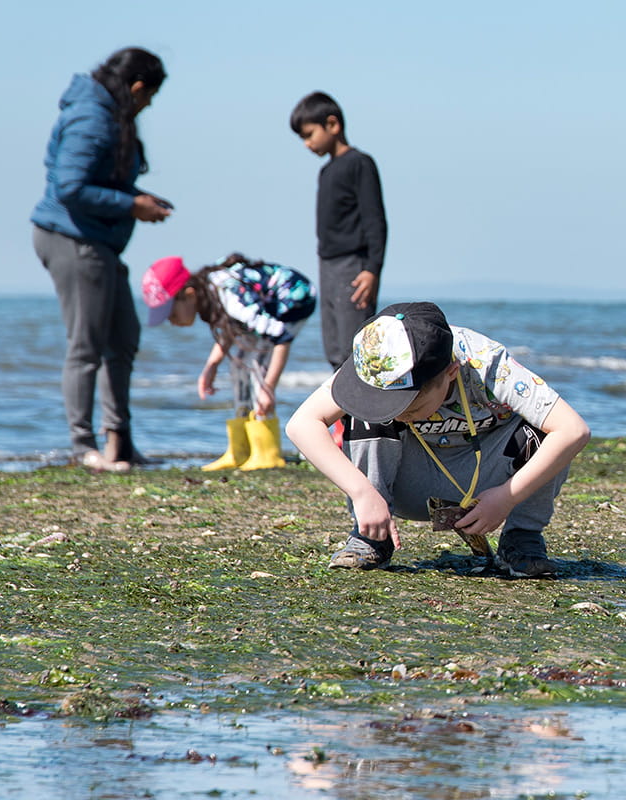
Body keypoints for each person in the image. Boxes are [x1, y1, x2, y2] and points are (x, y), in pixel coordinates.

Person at [285, 302, 589, 578]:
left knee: (544, 429)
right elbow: (301, 424)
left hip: (489, 486)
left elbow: (573, 430)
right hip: (402, 484)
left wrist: (507, 497)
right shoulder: (376, 359)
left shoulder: (485, 362)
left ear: (451, 372)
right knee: (365, 413)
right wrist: (362, 492)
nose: (402, 415)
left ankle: (522, 539)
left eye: (413, 407)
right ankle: (372, 537)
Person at [30, 47, 172, 472]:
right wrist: (131, 206)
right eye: (149, 98)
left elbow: (93, 180)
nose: (147, 106)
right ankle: (82, 446)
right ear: (136, 88)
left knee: (123, 336)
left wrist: (136, 200)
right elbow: (70, 187)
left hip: (99, 243)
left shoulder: (106, 113)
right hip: (72, 239)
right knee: (86, 345)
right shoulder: (92, 117)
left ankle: (120, 444)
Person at [141, 253, 317, 471]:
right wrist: (212, 365)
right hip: (263, 306)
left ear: (189, 293)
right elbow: (230, 328)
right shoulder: (211, 292)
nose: (170, 320)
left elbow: (281, 336)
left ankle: (266, 451)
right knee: (239, 363)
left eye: (170, 312)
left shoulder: (231, 299)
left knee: (255, 364)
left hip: (293, 299)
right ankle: (240, 449)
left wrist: (268, 388)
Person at [289, 91, 388, 373]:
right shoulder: (326, 171)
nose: (307, 144)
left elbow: (375, 220)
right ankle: (343, 417)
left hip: (353, 267)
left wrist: (372, 269)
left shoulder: (360, 163)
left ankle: (365, 415)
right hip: (328, 265)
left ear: (332, 124)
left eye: (309, 135)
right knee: (333, 347)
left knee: (354, 347)